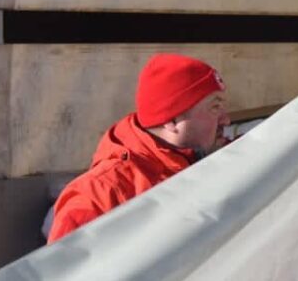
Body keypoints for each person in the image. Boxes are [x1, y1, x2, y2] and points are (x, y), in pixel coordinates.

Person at [46, 54, 230, 243]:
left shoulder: (214, 165)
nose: (226, 120)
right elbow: (63, 270)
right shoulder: (100, 195)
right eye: (215, 107)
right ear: (171, 120)